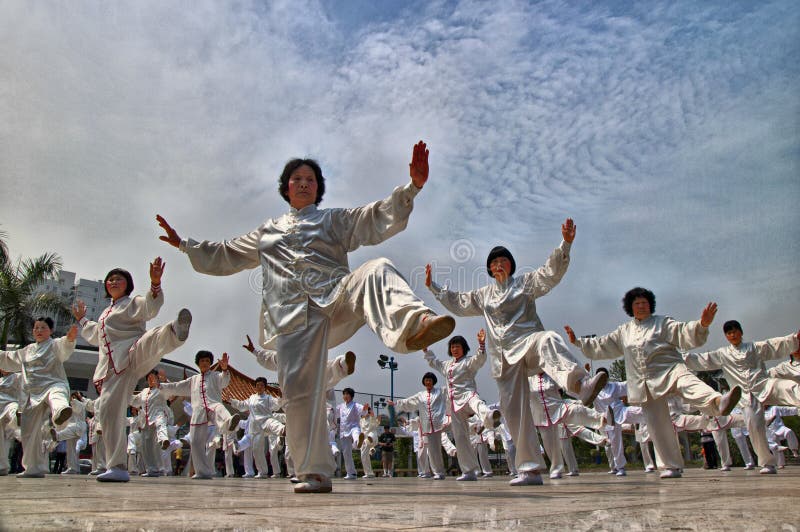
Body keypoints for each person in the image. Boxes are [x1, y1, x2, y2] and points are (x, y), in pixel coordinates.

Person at [157, 141, 455, 493]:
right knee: (298, 393)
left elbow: (373, 218)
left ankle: (414, 323)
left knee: (377, 269)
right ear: (286, 187)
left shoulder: (332, 220)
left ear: (318, 188)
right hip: (292, 319)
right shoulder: (267, 233)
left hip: (336, 299)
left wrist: (412, 188)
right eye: (297, 178)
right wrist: (184, 245)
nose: (303, 183)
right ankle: (312, 471)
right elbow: (226, 253)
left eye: (310, 179)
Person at [426, 219, 607, 486]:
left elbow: (549, 274)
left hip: (528, 343)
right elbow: (458, 302)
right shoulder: (483, 295)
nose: (499, 264)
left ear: (511, 265)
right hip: (503, 359)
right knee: (515, 412)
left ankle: (580, 385)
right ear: (489, 269)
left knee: (548, 339)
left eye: (504, 261)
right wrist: (433, 286)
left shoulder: (525, 284)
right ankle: (530, 469)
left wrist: (565, 244)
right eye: (494, 262)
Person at [565, 287, 742, 479]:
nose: (641, 306)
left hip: (668, 369)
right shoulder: (624, 331)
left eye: (645, 303)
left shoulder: (663, 323)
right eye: (637, 304)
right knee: (657, 424)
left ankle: (717, 402)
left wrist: (701, 325)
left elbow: (683, 332)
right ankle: (671, 466)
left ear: (651, 305)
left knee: (687, 382)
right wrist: (579, 342)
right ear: (630, 308)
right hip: (643, 381)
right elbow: (603, 344)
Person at [72, 259, 192, 482]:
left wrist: (155, 283)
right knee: (108, 412)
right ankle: (117, 466)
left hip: (133, 351)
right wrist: (81, 320)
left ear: (127, 285)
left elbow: (150, 306)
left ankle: (175, 330)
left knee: (151, 338)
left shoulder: (132, 303)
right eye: (110, 279)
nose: (113, 281)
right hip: (112, 370)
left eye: (119, 279)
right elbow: (94, 333)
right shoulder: (105, 314)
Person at [682, 320, 799, 474]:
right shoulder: (722, 354)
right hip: (745, 396)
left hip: (763, 385)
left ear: (741, 332)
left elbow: (774, 345)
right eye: (729, 333)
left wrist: (795, 338)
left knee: (789, 387)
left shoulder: (755, 348)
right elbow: (701, 360)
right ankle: (767, 463)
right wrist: (677, 356)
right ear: (726, 336)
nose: (733, 335)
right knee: (754, 427)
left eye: (735, 331)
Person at [0, 317, 78, 478]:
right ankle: (32, 467)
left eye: (43, 327)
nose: (39, 330)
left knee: (58, 397)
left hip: (53, 384)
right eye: (36, 328)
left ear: (50, 330)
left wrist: (70, 339)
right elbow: (8, 357)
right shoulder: (27, 350)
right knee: (28, 431)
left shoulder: (55, 344)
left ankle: (60, 413)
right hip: (32, 394)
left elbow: (65, 345)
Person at [423, 330, 497, 481]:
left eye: (457, 346)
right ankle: (468, 471)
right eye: (452, 347)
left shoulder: (468, 362)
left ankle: (489, 416)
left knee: (477, 403)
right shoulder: (447, 365)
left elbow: (479, 359)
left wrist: (482, 344)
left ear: (464, 348)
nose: (455, 349)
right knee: (461, 437)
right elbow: (434, 362)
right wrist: (426, 349)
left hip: (468, 395)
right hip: (454, 404)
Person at [160, 350, 240, 479]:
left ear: (210, 363)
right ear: (198, 363)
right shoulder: (193, 380)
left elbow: (224, 381)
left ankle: (229, 424)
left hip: (213, 405)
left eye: (208, 361)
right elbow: (177, 386)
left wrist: (225, 370)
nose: (205, 363)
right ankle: (202, 472)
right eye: (202, 360)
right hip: (198, 411)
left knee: (220, 408)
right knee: (196, 442)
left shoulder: (215, 376)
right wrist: (161, 385)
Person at [389, 372, 449, 480]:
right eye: (426, 380)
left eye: (430, 380)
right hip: (426, 425)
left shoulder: (441, 391)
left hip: (437, 423)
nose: (428, 382)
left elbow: (452, 388)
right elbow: (409, 401)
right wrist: (396, 403)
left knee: (436, 449)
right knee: (430, 450)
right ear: (424, 382)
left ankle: (439, 472)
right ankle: (434, 472)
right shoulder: (420, 395)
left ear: (433, 381)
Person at [227, 376, 280, 479]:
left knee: (261, 445)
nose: (259, 387)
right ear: (255, 387)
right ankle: (262, 472)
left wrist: (280, 398)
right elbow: (242, 405)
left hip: (264, 424)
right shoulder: (252, 398)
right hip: (254, 428)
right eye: (257, 385)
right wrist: (231, 400)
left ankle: (282, 431)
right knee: (256, 450)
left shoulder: (268, 398)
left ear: (265, 387)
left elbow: (276, 406)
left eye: (261, 385)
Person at [130, 369, 174, 477]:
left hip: (158, 415)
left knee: (161, 425)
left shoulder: (161, 389)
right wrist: (124, 395)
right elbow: (135, 401)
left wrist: (164, 381)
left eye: (153, 377)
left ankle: (164, 440)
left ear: (157, 378)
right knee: (146, 447)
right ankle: (152, 470)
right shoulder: (144, 392)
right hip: (146, 421)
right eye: (149, 377)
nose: (151, 379)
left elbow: (171, 393)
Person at [0, 370, 21, 476]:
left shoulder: (17, 376)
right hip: (0, 409)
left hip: (10, 403)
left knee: (13, 410)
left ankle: (18, 417)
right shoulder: (1, 380)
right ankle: (2, 467)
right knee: (2, 441)